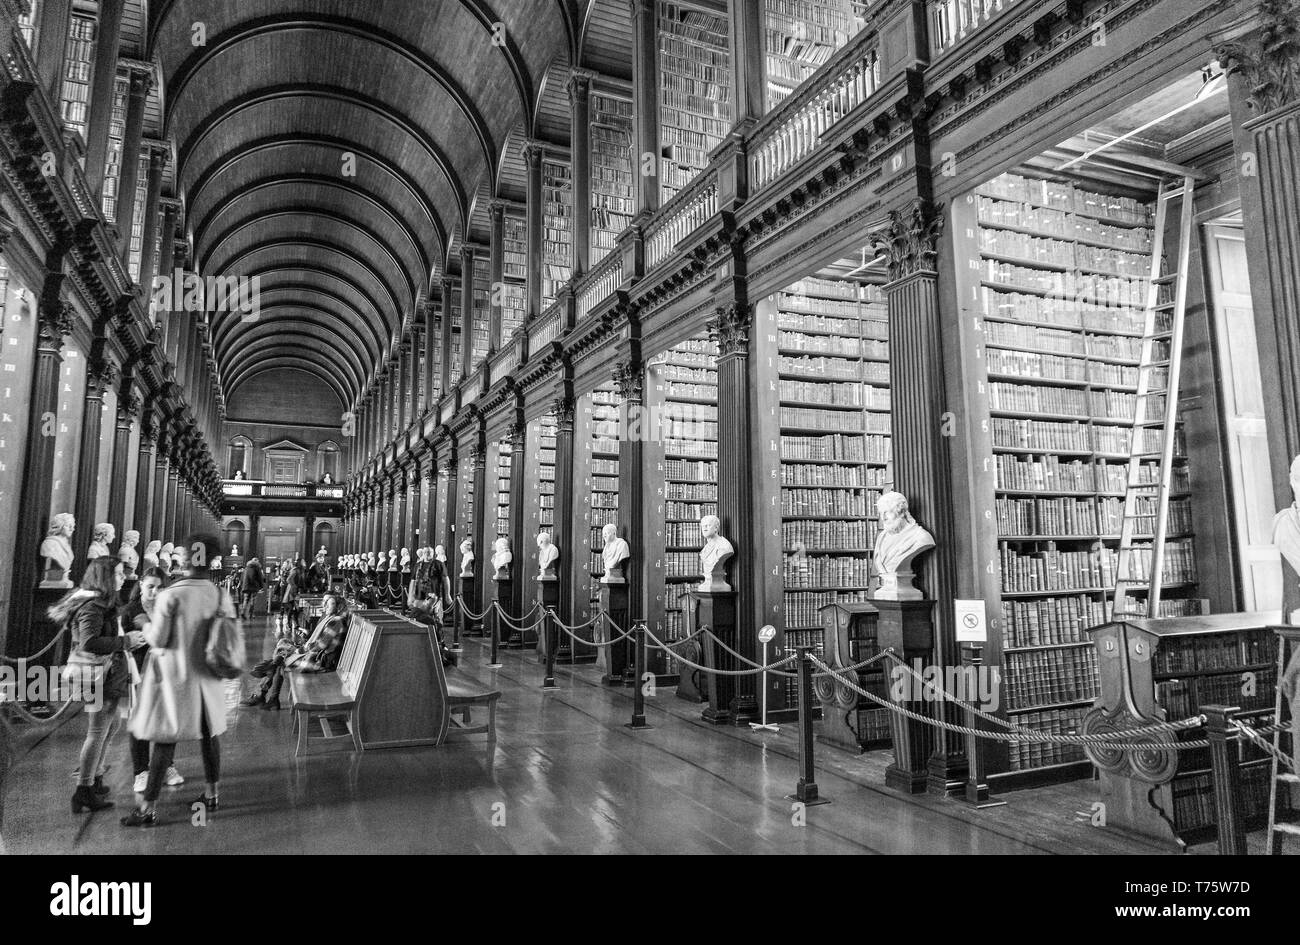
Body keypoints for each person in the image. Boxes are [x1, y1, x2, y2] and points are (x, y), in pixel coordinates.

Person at [122, 533, 231, 827]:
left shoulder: (171, 594)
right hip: (208, 678)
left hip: (175, 676)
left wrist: (144, 622)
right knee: (210, 737)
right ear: (212, 560)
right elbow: (231, 640)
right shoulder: (220, 594)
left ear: (185, 560)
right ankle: (211, 795)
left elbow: (158, 640)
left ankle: (147, 810)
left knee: (166, 740)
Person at [49, 557, 146, 814]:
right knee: (97, 730)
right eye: (117, 573)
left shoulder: (102, 603)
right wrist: (126, 642)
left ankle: (95, 777)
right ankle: (83, 789)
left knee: (111, 725)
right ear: (104, 576)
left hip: (106, 673)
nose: (123, 577)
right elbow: (89, 642)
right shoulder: (92, 606)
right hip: (96, 675)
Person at [121, 568, 184, 793]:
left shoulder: (168, 610)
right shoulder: (131, 610)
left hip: (165, 672)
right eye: (151, 586)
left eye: (160, 588)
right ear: (141, 584)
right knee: (139, 720)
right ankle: (141, 771)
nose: (155, 592)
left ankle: (167, 765)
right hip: (138, 672)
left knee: (166, 718)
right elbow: (133, 632)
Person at [241, 594, 348, 710]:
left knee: (279, 661)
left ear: (339, 606)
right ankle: (271, 696)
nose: (326, 605)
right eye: (326, 602)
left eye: (331, 603)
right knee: (282, 648)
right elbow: (318, 643)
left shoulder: (336, 621)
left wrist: (299, 649)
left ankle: (265, 694)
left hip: (321, 663)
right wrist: (302, 646)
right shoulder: (331, 619)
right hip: (317, 657)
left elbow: (321, 645)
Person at [283, 556, 307, 634]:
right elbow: (289, 579)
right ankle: (289, 624)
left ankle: (295, 624)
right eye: (303, 562)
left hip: (296, 591)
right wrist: (295, 586)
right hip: (292, 592)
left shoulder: (302, 570)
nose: (305, 563)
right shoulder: (295, 570)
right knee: (291, 608)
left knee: (296, 609)